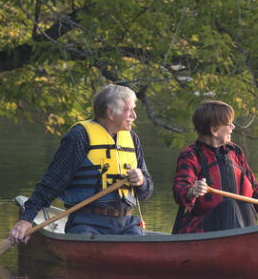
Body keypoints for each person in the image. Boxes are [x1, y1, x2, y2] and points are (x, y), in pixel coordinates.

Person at [10, 84, 154, 242]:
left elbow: (146, 193)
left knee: (139, 244)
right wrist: (26, 219)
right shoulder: (79, 136)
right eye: (129, 109)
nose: (134, 115)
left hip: (126, 224)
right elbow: (51, 183)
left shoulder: (132, 139)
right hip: (86, 223)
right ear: (111, 112)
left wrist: (141, 182)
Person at [172, 100, 258, 234]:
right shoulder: (191, 155)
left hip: (239, 228)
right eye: (229, 124)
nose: (233, 127)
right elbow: (179, 191)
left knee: (244, 205)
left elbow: (255, 195)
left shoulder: (235, 152)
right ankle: (241, 247)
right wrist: (192, 191)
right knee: (230, 206)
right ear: (214, 130)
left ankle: (243, 246)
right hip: (200, 230)